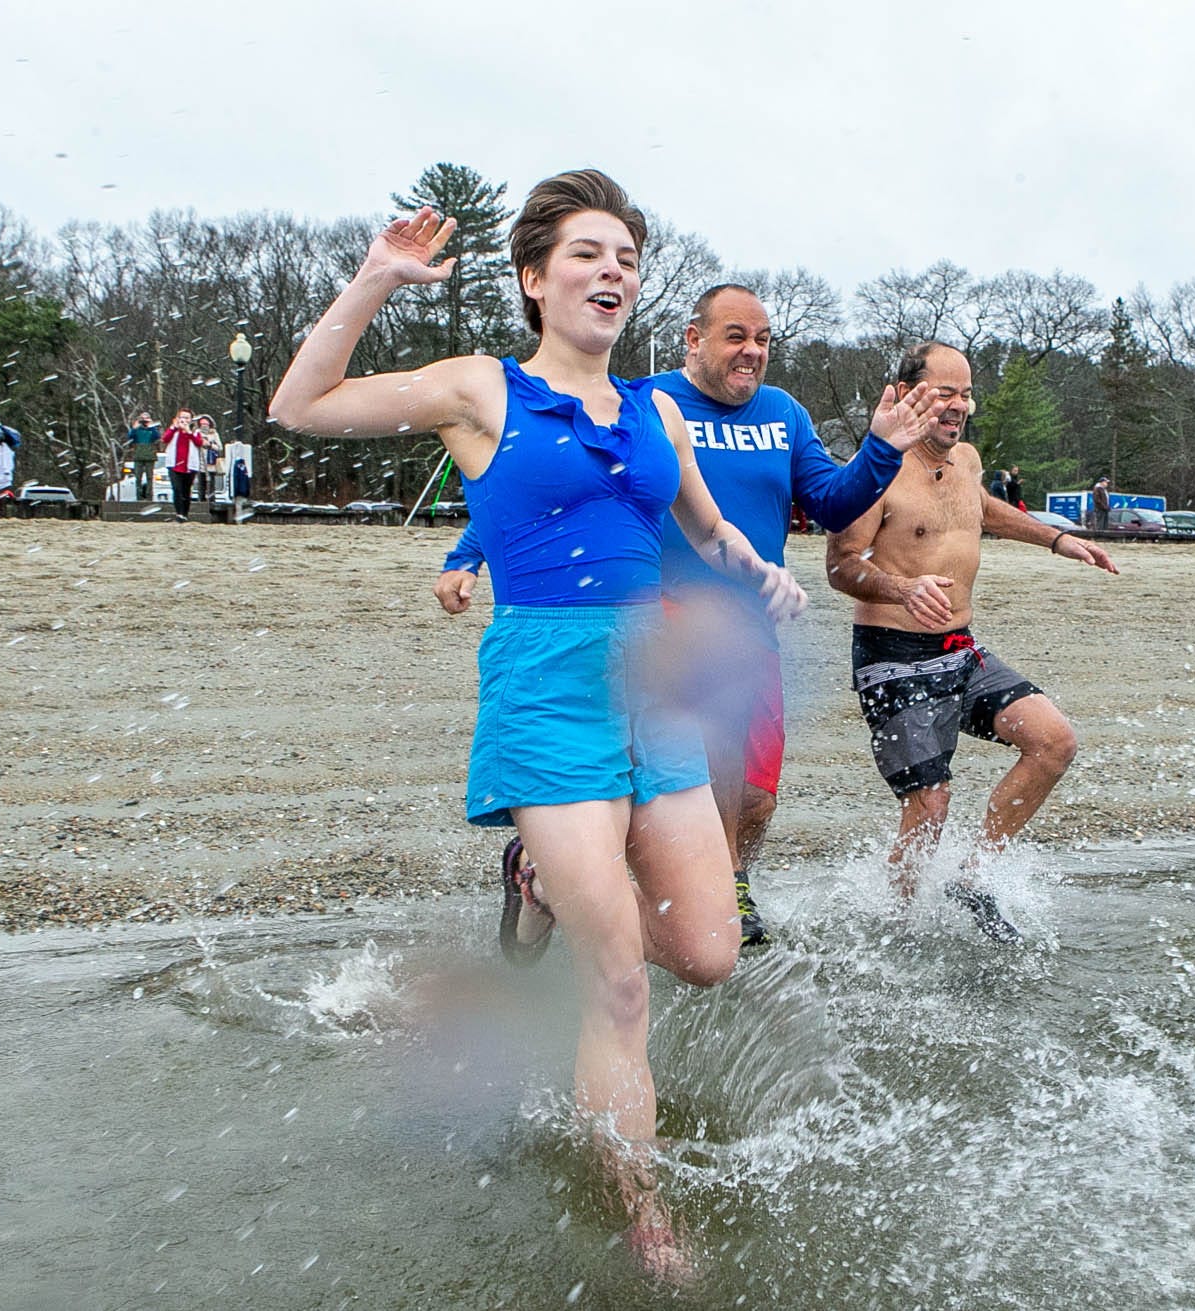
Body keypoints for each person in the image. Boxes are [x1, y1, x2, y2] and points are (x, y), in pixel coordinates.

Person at [267, 173, 814, 1280]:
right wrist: (378, 277)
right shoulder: (480, 391)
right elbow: (299, 406)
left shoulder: (658, 409)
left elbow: (705, 526)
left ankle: (543, 880)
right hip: (549, 684)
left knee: (706, 953)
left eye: (625, 257)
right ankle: (648, 1215)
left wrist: (760, 574)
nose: (611, 270)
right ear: (532, 279)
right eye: (585, 254)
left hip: (651, 681)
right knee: (618, 980)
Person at [437, 282, 937, 945]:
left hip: (748, 625)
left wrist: (880, 449)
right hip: (652, 623)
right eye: (736, 336)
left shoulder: (784, 414)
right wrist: (467, 554)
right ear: (693, 339)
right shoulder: (649, 404)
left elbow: (831, 503)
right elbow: (550, 488)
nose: (752, 351)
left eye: (763, 339)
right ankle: (594, 877)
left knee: (755, 796)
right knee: (673, 776)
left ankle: (705, 882)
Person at [825, 342, 1118, 942]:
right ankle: (893, 929)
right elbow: (841, 564)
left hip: (959, 647)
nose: (959, 406)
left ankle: (973, 874)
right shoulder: (877, 469)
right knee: (930, 804)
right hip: (892, 655)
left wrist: (1056, 539)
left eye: (965, 393)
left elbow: (981, 510)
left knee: (1053, 742)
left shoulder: (969, 460)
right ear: (908, 393)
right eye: (944, 392)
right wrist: (901, 588)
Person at [162, 409, 208, 522]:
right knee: (177, 489)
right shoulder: (173, 430)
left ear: (191, 420)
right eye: (182, 417)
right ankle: (179, 513)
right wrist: (173, 427)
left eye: (187, 418)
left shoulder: (195, 431)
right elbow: (165, 439)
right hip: (174, 464)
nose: (184, 420)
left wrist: (189, 432)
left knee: (186, 491)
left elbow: (199, 442)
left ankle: (185, 514)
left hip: (190, 465)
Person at [127, 412, 162, 501]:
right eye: (143, 419)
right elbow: (130, 436)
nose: (144, 421)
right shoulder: (137, 429)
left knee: (150, 477)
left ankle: (149, 496)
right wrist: (134, 427)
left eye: (146, 418)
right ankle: (138, 496)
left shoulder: (152, 429)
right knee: (138, 477)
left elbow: (157, 437)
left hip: (150, 456)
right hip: (138, 455)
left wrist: (151, 426)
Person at [194, 415, 223, 504]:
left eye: (206, 424)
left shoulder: (214, 434)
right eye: (202, 424)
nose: (204, 426)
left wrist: (210, 445)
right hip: (200, 462)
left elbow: (219, 447)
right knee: (201, 483)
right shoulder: (197, 433)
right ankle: (201, 501)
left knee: (211, 483)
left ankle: (211, 500)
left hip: (211, 463)